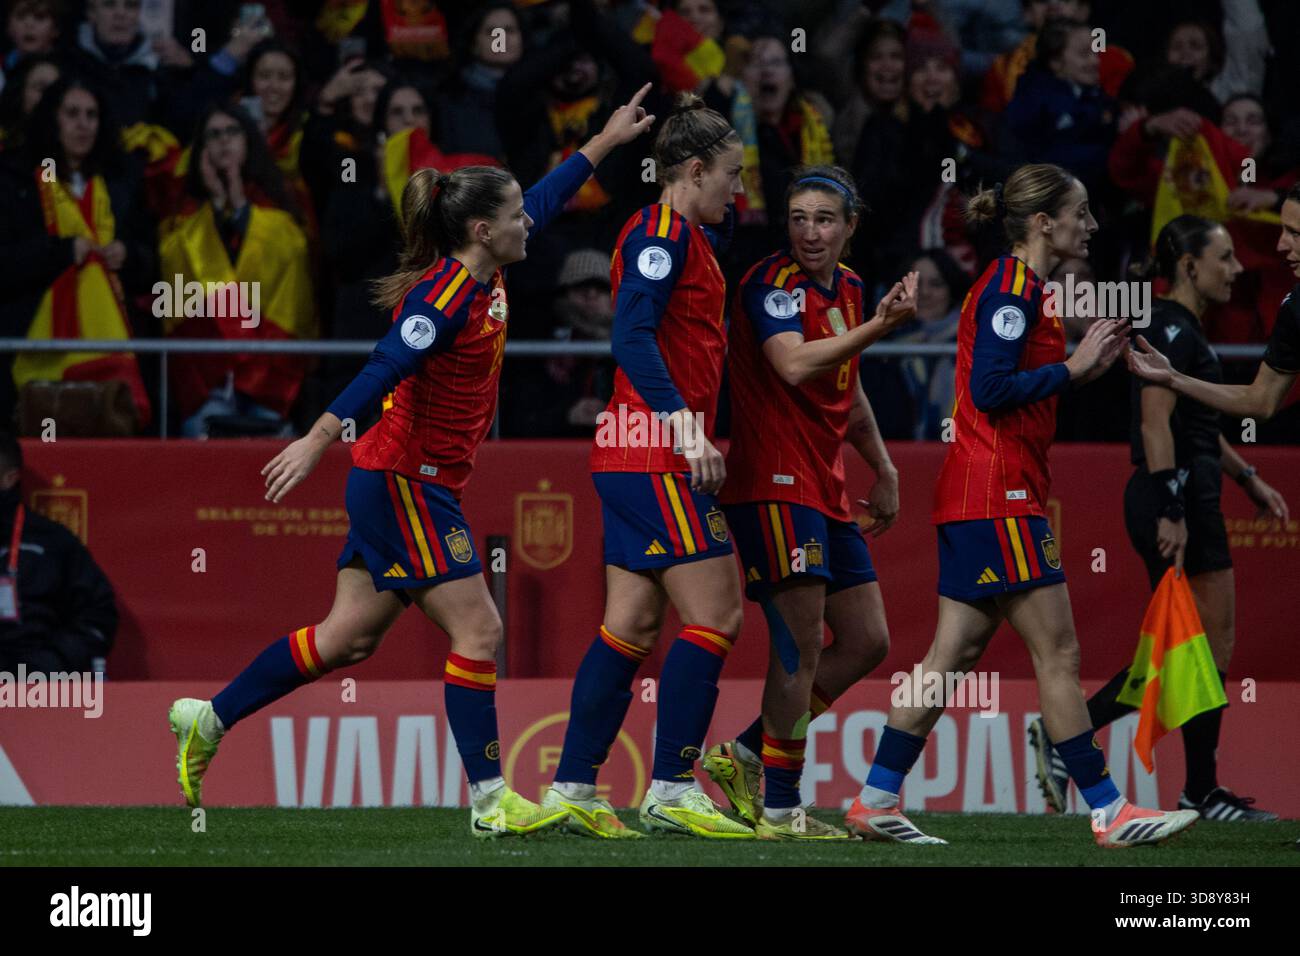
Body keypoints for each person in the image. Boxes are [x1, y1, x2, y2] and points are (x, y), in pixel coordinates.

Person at [165, 84, 655, 837]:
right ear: (486, 229)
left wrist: (608, 140)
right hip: (404, 483)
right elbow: (385, 363)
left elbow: (553, 196)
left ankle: (209, 717)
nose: (534, 220)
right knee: (480, 632)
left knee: (346, 638)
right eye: (517, 213)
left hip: (399, 479)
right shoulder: (447, 293)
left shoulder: (487, 266)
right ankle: (493, 801)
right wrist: (316, 436)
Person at [845, 163, 1200, 848]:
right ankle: (1108, 810)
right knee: (1059, 653)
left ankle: (874, 800)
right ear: (1045, 223)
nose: (1092, 226)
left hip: (980, 493)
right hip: (998, 494)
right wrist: (1072, 367)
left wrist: (1087, 366)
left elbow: (1016, 383)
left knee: (948, 658)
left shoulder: (1024, 290)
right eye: (1082, 213)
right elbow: (989, 388)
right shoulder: (1012, 288)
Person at [1030, 215, 1286, 823]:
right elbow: (1155, 421)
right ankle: (1195, 788)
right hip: (1174, 498)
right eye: (1224, 258)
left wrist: (1246, 477)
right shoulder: (1170, 323)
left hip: (1179, 491)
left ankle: (1074, 740)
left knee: (1182, 649)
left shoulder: (1178, 325)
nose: (1237, 268)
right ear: (1190, 266)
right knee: (1208, 645)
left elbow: (1196, 423)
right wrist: (1173, 507)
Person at [543, 93, 749, 839]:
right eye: (731, 173)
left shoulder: (680, 233)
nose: (739, 189)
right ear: (694, 169)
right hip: (656, 453)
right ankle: (669, 785)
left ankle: (572, 784)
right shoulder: (661, 231)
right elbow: (630, 338)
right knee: (717, 613)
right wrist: (689, 432)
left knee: (629, 624)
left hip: (631, 451)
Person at [703, 165, 917, 840]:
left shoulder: (851, 288)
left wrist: (880, 466)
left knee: (866, 641)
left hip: (824, 485)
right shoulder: (771, 285)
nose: (810, 231)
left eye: (825, 219)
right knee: (797, 646)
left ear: (850, 226)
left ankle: (743, 754)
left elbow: (846, 388)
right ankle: (781, 809)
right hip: (771, 485)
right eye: (798, 217)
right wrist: (880, 327)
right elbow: (795, 363)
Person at [1128, 183, 1300, 423]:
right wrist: (1173, 378)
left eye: (1295, 233)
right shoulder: (1295, 307)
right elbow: (1260, 400)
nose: (1281, 244)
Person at [0, 430, 117, 675]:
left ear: (9, 478)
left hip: (33, 677)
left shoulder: (51, 540)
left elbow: (99, 614)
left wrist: (54, 661)